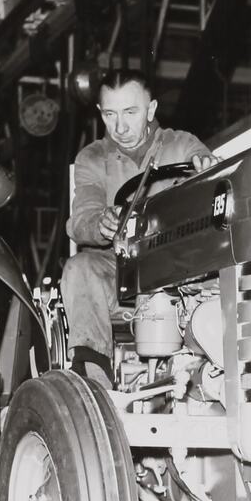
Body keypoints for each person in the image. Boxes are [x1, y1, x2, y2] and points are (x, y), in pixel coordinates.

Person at [62, 71, 215, 386]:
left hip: (178, 272)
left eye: (130, 112)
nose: (120, 127)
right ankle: (95, 380)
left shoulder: (181, 144)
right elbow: (81, 219)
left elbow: (204, 166)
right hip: (121, 275)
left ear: (151, 109)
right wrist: (99, 224)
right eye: (110, 114)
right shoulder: (92, 158)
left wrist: (205, 166)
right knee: (81, 268)